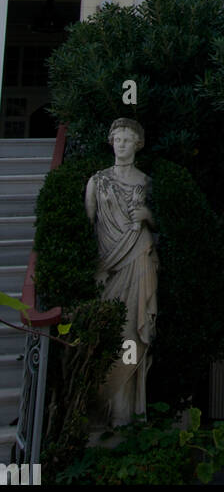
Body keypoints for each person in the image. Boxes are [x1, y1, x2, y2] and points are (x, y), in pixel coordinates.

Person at [84, 118, 158, 427]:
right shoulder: (97, 182)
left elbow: (162, 231)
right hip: (108, 267)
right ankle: (105, 408)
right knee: (108, 337)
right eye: (118, 139)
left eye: (128, 140)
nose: (122, 145)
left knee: (132, 332)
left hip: (139, 261)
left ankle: (125, 413)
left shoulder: (146, 182)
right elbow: (88, 229)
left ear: (138, 144)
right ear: (111, 143)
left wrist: (148, 216)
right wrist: (96, 267)